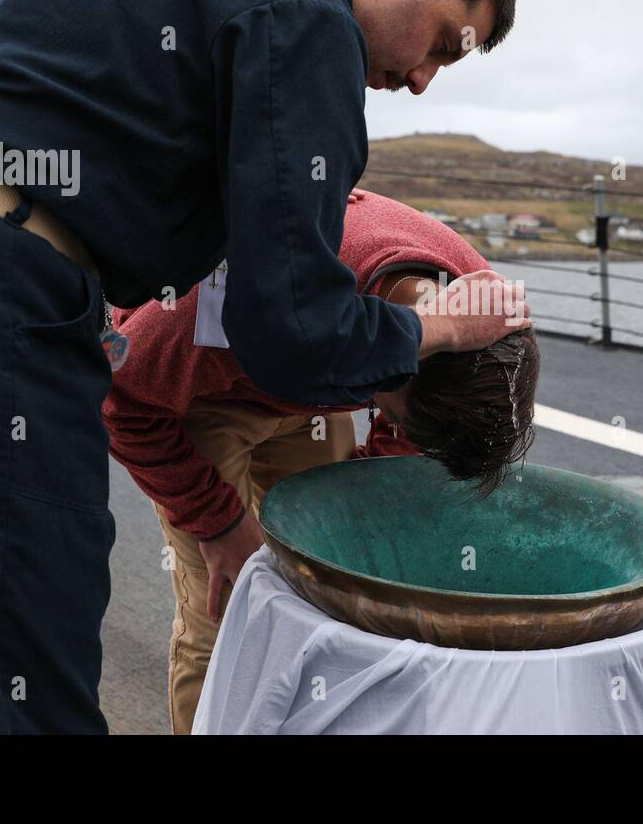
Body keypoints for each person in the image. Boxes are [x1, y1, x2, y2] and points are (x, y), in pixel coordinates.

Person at [0, 0, 521, 733]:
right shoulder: (304, 9)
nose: (419, 80)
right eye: (443, 44)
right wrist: (443, 327)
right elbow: (294, 330)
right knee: (10, 661)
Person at [104, 188, 539, 732]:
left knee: (327, 588)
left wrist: (372, 471)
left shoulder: (479, 309)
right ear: (397, 365)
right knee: (225, 616)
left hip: (317, 388)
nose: (396, 429)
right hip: (204, 391)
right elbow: (123, 402)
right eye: (397, 418)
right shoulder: (247, 290)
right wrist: (216, 524)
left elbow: (423, 420)